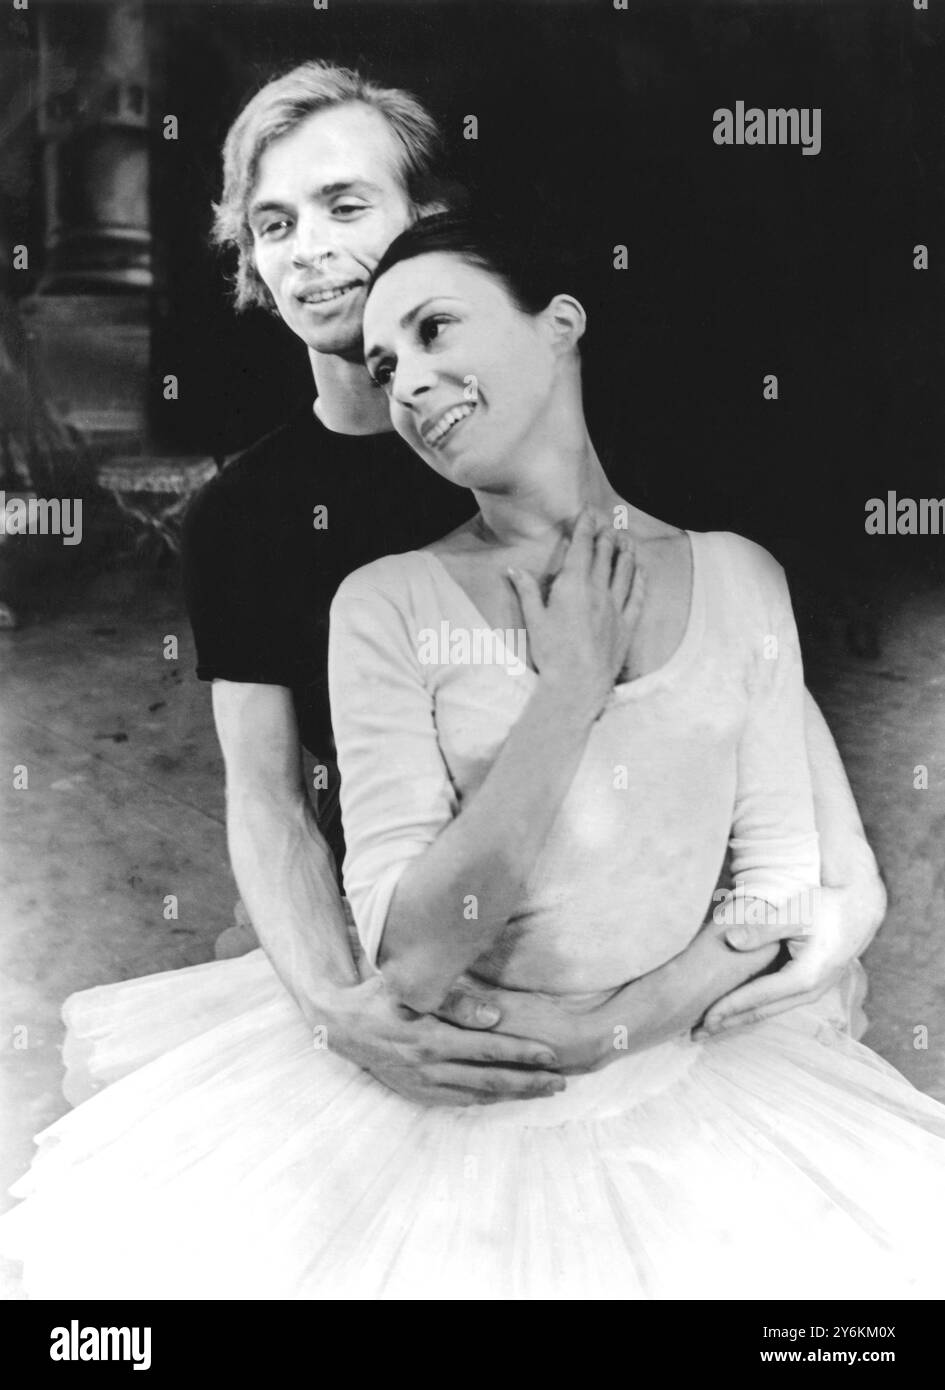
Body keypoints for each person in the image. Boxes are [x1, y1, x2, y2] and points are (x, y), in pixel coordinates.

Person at [2, 216, 943, 1301]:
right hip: (444, 1113)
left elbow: (780, 881)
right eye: (387, 364)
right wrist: (571, 690)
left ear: (559, 327)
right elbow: (415, 953)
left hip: (677, 1082)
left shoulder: (738, 576)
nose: (408, 384)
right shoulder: (387, 602)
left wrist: (608, 1031)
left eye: (438, 329)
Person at [183, 60, 883, 1105]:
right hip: (437, 933)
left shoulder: (576, 420)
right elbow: (268, 802)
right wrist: (342, 1009)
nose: (311, 249)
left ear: (429, 216)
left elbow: (745, 672)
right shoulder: (246, 519)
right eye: (273, 224)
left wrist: (846, 880)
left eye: (345, 204)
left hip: (664, 958)